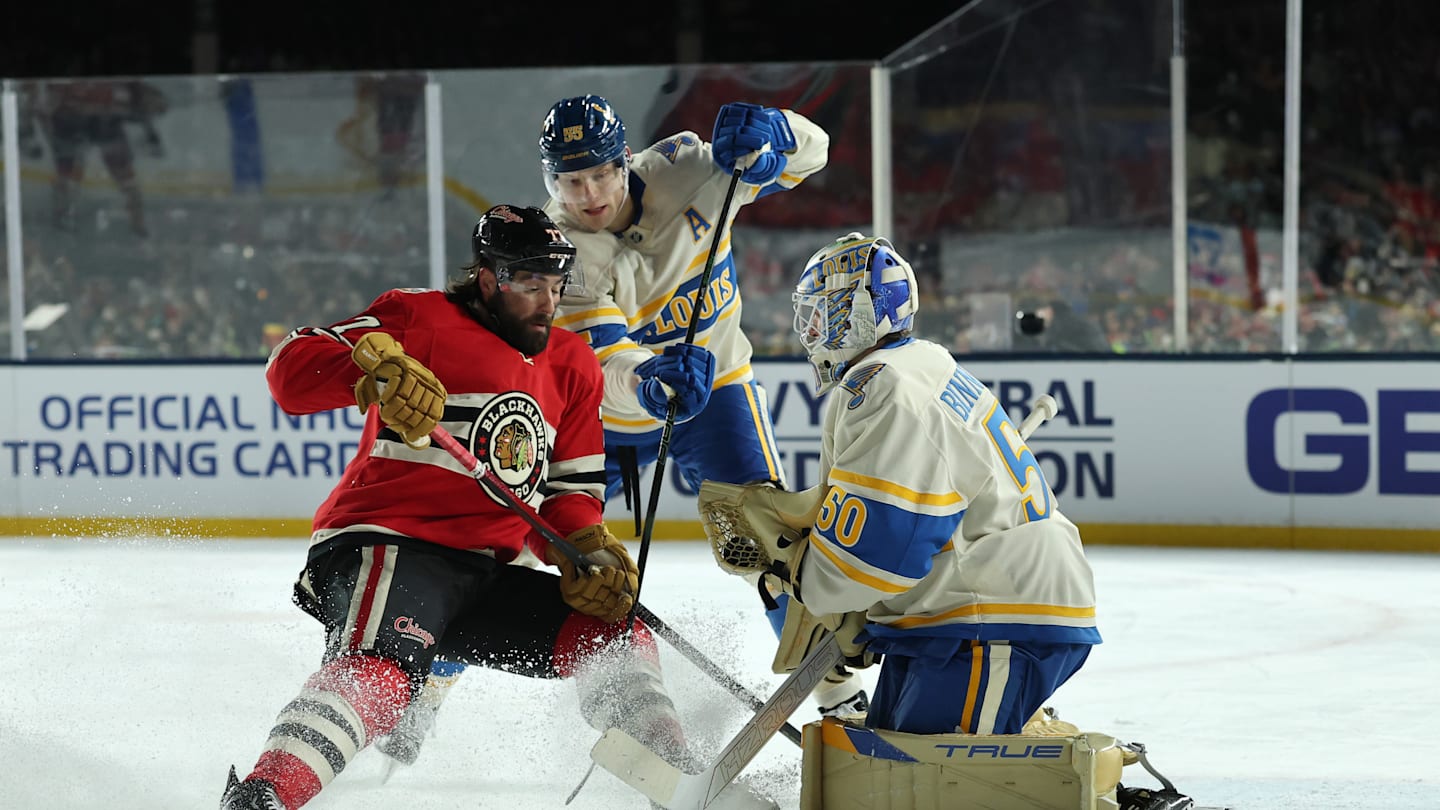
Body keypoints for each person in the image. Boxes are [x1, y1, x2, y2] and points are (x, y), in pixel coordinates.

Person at [372, 93, 869, 769]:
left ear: (625, 160)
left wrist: (779, 134)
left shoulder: (692, 169)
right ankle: (428, 685)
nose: (589, 195)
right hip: (605, 411)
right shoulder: (558, 251)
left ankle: (839, 695)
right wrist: (650, 380)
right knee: (512, 547)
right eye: (570, 181)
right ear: (551, 181)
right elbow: (601, 362)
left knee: (769, 537)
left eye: (601, 174)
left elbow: (815, 153)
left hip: (718, 391)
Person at [220, 205, 749, 809]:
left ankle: (677, 782)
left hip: (485, 572)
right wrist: (370, 372)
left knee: (614, 636)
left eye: (556, 286)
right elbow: (288, 372)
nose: (549, 302)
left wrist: (585, 549)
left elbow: (568, 495)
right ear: (491, 279)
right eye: (532, 286)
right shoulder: (418, 317)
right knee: (383, 673)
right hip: (392, 543)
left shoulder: (573, 365)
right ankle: (262, 798)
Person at [700, 233, 1102, 740]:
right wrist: (865, 609)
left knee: (929, 774)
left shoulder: (883, 386)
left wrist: (808, 583)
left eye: (823, 311)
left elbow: (881, 550)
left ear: (861, 312)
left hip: (993, 619)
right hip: (969, 612)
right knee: (881, 761)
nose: (810, 328)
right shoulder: (921, 363)